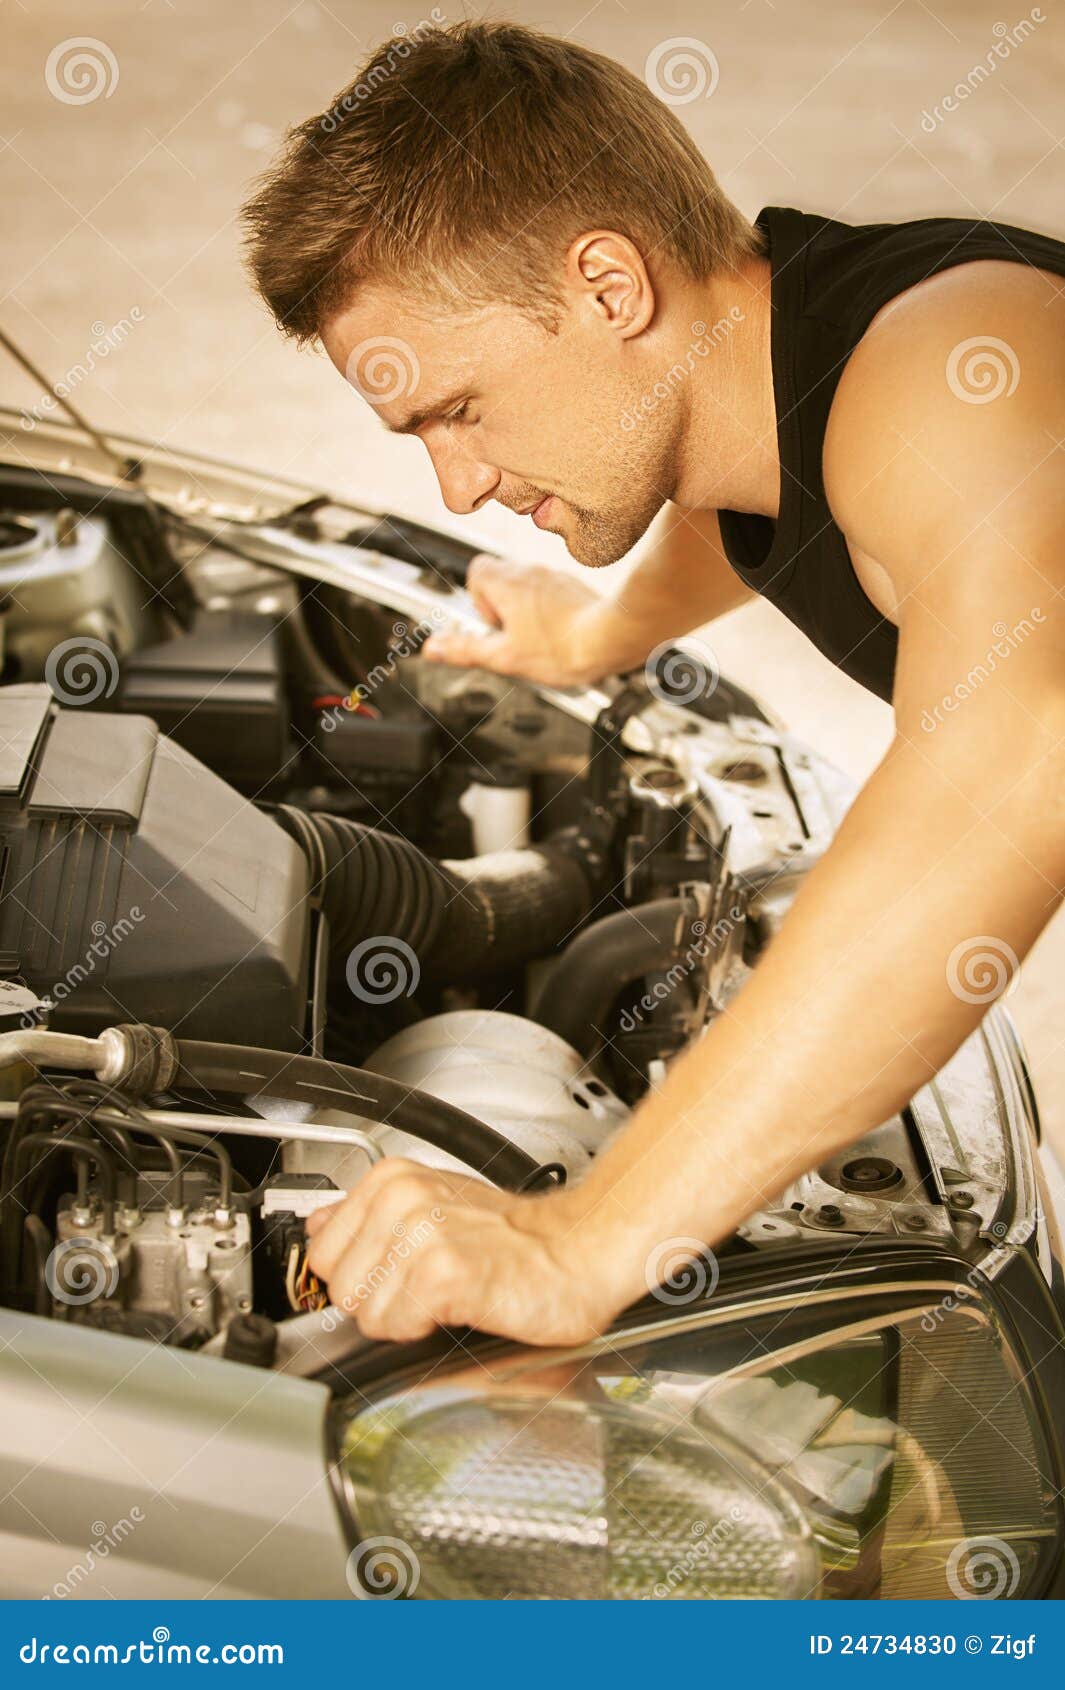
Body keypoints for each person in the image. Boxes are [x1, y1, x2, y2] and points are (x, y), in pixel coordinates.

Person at [241, 20, 1065, 1346]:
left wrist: (583, 1237)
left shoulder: (959, 369)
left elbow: (1005, 781)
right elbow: (750, 498)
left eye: (459, 408)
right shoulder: (783, 369)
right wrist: (599, 637)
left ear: (609, 286)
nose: (456, 484)